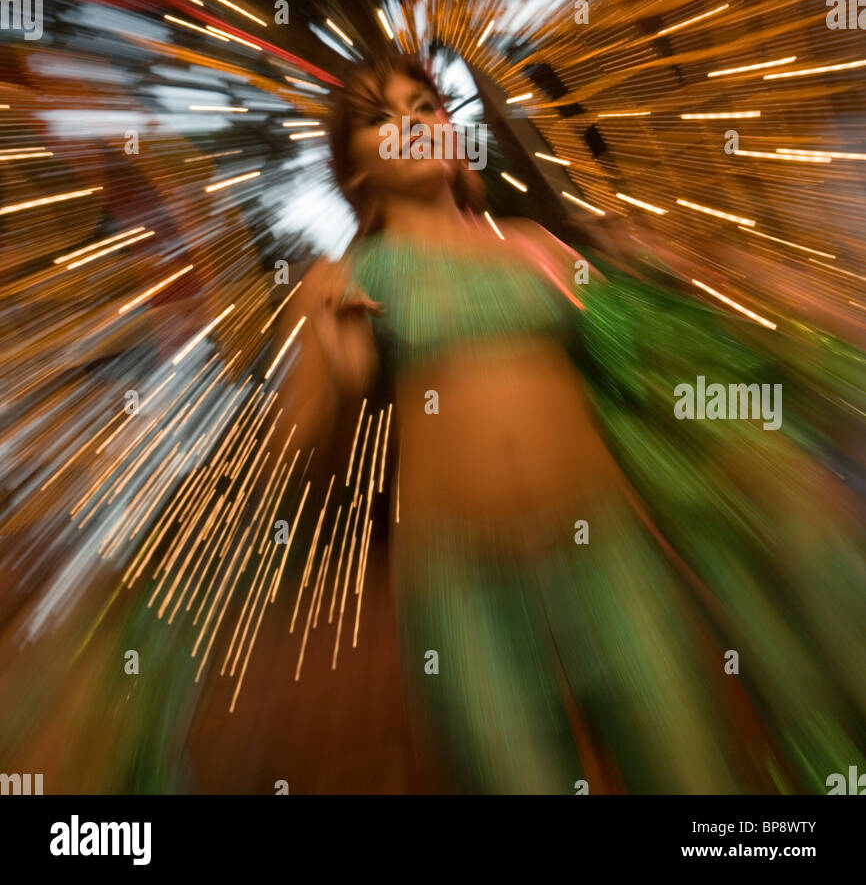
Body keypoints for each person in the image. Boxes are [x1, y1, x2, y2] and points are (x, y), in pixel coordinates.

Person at [273, 52, 866, 794]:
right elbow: (304, 450)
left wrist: (686, 276)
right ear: (352, 173)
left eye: (425, 105)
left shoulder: (532, 247)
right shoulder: (350, 279)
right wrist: (327, 345)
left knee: (692, 771)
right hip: (459, 589)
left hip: (608, 550)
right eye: (378, 117)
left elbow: (652, 359)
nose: (412, 124)